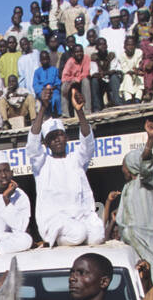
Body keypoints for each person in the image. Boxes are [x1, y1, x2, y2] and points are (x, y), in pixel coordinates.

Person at [28, 86, 102, 247]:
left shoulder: (76, 159)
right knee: (79, 233)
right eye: (52, 138)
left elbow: (88, 144)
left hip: (81, 217)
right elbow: (33, 144)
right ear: (46, 143)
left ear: (66, 137)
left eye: (59, 135)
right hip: (55, 221)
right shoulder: (42, 163)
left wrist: (80, 112)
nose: (57, 140)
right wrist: (43, 108)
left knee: (97, 235)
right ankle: (52, 240)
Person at [117, 120, 153, 263]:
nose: (122, 170)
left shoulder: (144, 181)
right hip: (129, 242)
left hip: (145, 239)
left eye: (124, 166)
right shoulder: (127, 187)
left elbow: (146, 162)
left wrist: (150, 138)